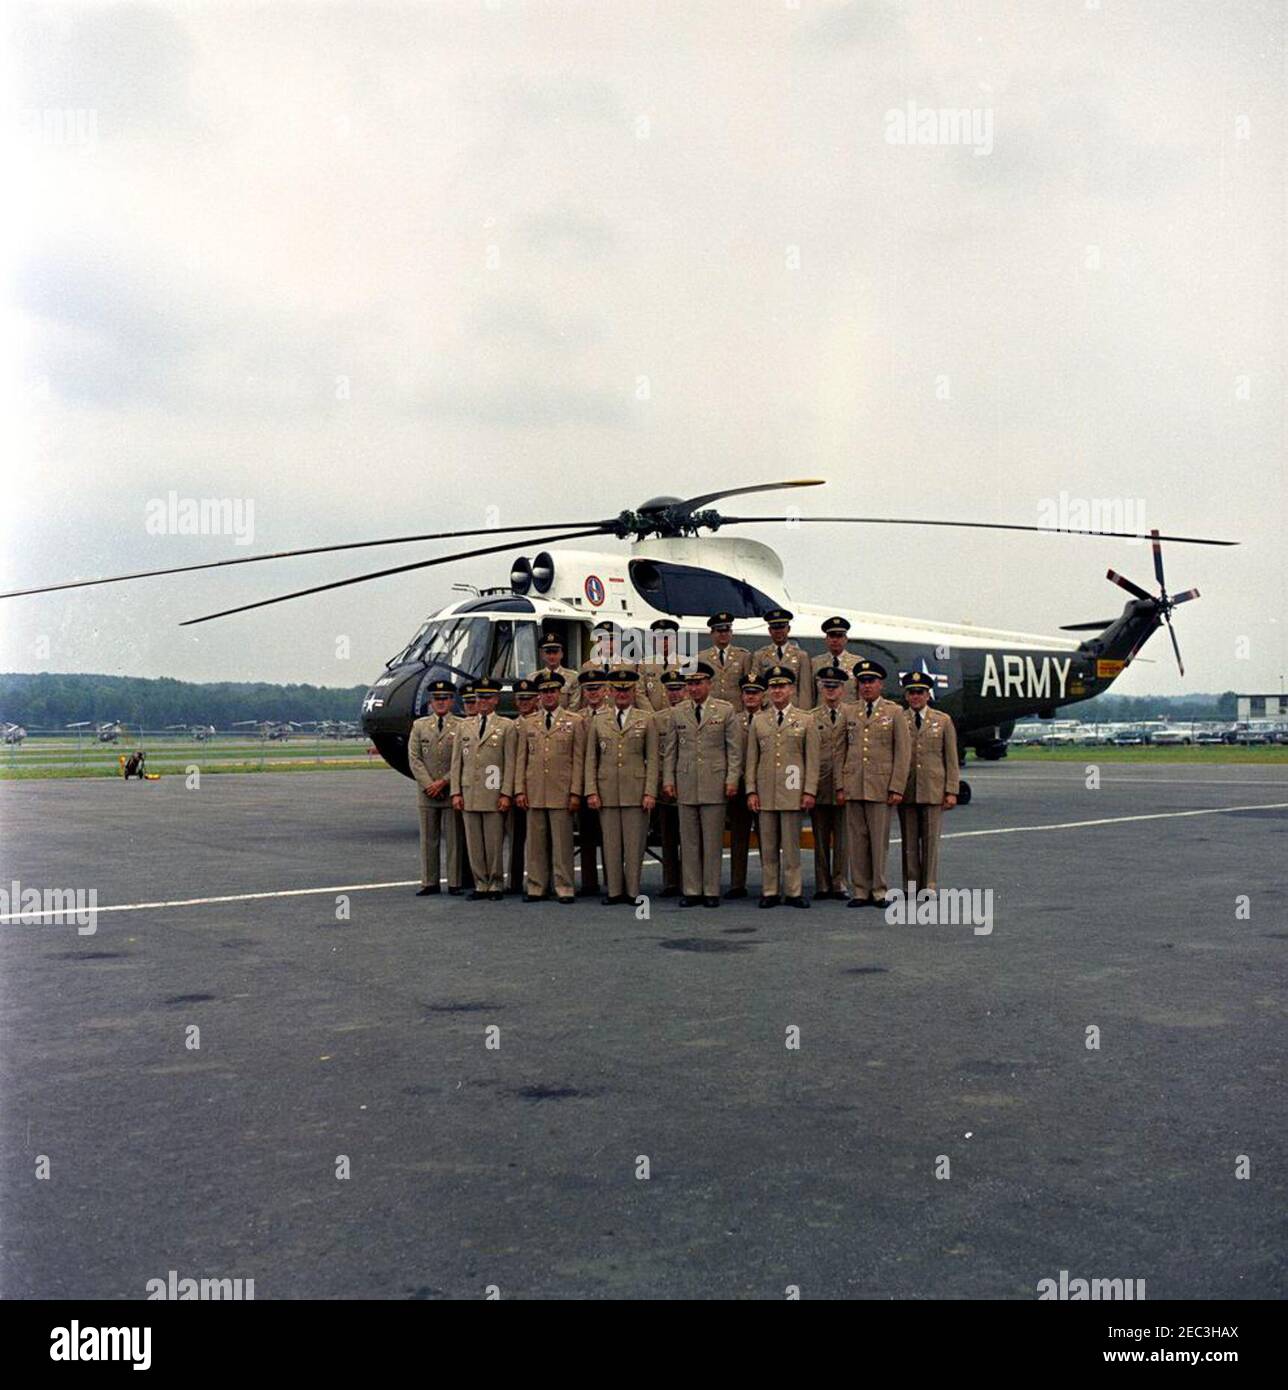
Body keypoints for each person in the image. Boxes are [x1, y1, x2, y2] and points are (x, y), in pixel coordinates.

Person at [662, 661, 741, 907]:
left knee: (712, 840)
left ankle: (711, 890)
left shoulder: (725, 711)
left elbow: (734, 750)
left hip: (714, 782)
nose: (694, 688)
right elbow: (670, 750)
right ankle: (692, 890)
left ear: (709, 683)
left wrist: (731, 779)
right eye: (690, 684)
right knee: (689, 840)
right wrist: (668, 779)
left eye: (698, 683)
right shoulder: (678, 712)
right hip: (686, 781)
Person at [745, 666, 819, 908]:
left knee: (791, 845)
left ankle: (794, 891)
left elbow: (812, 760)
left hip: (792, 789)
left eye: (782, 686)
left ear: (792, 689)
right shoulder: (759, 720)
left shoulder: (806, 719)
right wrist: (751, 790)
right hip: (765, 791)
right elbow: (751, 760)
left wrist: (809, 790)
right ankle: (770, 891)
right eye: (774, 686)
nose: (777, 691)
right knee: (767, 845)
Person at [838, 660, 910, 909]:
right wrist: (840, 784)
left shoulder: (894, 712)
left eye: (871, 681)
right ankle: (860, 890)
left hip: (880, 786)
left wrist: (897, 786)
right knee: (856, 841)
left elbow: (903, 753)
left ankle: (879, 890)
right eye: (863, 682)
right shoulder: (848, 711)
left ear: (881, 684)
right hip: (854, 784)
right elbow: (840, 750)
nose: (866, 686)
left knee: (879, 841)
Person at [584, 670, 659, 903]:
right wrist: (591, 790)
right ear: (611, 692)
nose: (622, 694)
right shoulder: (599, 720)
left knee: (634, 844)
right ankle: (614, 890)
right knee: (611, 844)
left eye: (626, 690)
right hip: (607, 790)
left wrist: (650, 791)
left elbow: (653, 758)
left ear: (634, 692)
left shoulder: (645, 719)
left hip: (635, 790)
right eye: (618, 690)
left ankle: (633, 891)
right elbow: (591, 759)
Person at [514, 673, 584, 904]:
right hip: (534, 791)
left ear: (559, 693)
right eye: (544, 692)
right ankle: (536, 886)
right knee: (535, 844)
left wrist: (575, 792)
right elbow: (521, 761)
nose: (549, 696)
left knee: (563, 844)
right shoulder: (528, 722)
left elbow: (578, 760)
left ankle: (564, 886)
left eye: (553, 691)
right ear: (539, 696)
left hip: (561, 792)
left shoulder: (574, 722)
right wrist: (519, 790)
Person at [450, 677, 516, 900]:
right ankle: (480, 884)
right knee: (474, 843)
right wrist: (456, 792)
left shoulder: (506, 726)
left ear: (496, 699)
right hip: (470, 792)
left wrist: (506, 793)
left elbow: (510, 763)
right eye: (480, 697)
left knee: (494, 841)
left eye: (488, 697)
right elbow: (456, 762)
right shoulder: (464, 726)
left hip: (493, 791)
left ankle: (495, 883)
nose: (483, 701)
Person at [898, 671, 960, 898]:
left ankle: (930, 885)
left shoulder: (942, 721)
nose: (915, 697)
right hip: (906, 789)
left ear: (928, 695)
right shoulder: (898, 719)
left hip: (933, 789)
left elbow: (951, 758)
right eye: (911, 692)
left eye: (920, 692)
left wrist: (952, 790)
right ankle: (911, 885)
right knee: (909, 841)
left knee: (931, 841)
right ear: (906, 695)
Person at [407, 679, 461, 896]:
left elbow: (460, 761)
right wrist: (429, 784)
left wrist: (444, 781)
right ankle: (429, 882)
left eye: (445, 698)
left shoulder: (461, 725)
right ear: (431, 701)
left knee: (454, 840)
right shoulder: (419, 726)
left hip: (449, 790)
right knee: (428, 839)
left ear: (451, 701)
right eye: (437, 699)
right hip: (427, 793)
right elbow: (414, 758)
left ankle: (455, 882)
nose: (440, 703)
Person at [810, 665, 850, 900]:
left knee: (843, 839)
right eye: (827, 687)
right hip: (819, 784)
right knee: (820, 837)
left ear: (843, 689)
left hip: (844, 784)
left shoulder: (851, 715)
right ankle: (822, 884)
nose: (831, 691)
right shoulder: (811, 717)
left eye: (835, 687)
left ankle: (840, 882)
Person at [725, 672, 764, 899]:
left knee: (767, 838)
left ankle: (769, 884)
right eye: (747, 693)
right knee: (738, 837)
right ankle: (737, 884)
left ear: (763, 695)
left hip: (764, 787)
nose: (750, 697)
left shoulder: (769, 718)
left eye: (755, 693)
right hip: (738, 787)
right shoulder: (733, 721)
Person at [650, 670, 688, 896]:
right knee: (668, 837)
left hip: (689, 782)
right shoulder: (657, 719)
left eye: (678, 689)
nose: (675, 694)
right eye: (671, 690)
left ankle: (691, 882)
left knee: (691, 838)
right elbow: (654, 755)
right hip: (666, 784)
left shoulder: (692, 715)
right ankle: (671, 882)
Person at [574, 668, 611, 893]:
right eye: (589, 689)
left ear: (606, 690)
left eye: (596, 688)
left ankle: (613, 880)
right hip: (583, 781)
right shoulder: (577, 718)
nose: (593, 693)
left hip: (608, 781)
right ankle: (589, 881)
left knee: (610, 834)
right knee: (587, 833)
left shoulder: (614, 714)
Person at [507, 677, 539, 893]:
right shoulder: (510, 726)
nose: (524, 703)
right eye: (521, 699)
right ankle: (514, 882)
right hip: (513, 792)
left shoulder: (539, 722)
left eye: (528, 698)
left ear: (536, 699)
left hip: (538, 790)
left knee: (540, 840)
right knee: (515, 839)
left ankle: (542, 881)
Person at [753, 608, 816, 709]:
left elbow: (805, 690)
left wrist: (805, 714)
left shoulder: (801, 656)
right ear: (769, 630)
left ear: (788, 629)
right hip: (768, 708)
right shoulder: (760, 655)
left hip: (793, 709)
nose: (778, 632)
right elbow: (756, 686)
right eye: (775, 628)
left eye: (782, 627)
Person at [699, 612, 753, 706]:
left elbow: (749, 685)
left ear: (731, 632)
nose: (723, 634)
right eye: (719, 631)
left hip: (736, 709)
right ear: (712, 633)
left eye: (726, 631)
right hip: (711, 709)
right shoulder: (702, 657)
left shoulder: (743, 656)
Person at [637, 618, 680, 711]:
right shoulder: (644, 664)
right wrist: (652, 716)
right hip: (651, 717)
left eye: (667, 637)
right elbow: (639, 693)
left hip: (679, 717)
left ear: (674, 639)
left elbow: (688, 693)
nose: (664, 642)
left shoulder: (685, 663)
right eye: (660, 638)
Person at [528, 633, 579, 708]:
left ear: (562, 654)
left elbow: (574, 705)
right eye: (548, 653)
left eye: (555, 652)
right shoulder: (532, 678)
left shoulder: (573, 677)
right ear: (542, 655)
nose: (552, 656)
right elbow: (531, 705)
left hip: (566, 719)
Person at [812, 616, 861, 683]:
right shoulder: (815, 663)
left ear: (846, 639)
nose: (835, 640)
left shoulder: (857, 663)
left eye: (839, 636)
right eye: (832, 636)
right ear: (826, 639)